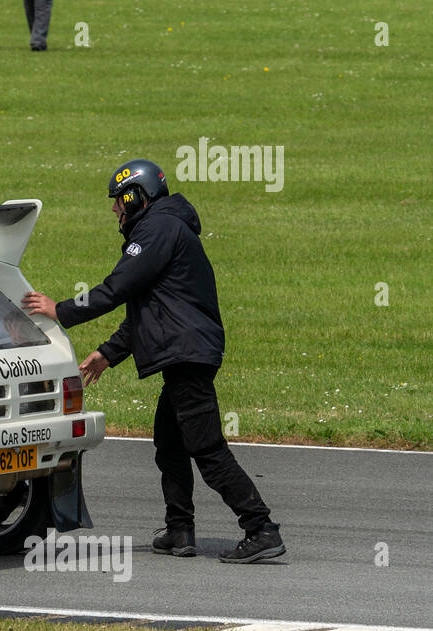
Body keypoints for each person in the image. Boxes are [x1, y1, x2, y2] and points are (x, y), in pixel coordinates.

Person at [21, 159, 287, 564]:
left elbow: (118, 287)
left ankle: (260, 527)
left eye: (117, 200)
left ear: (135, 195)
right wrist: (108, 354)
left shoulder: (157, 228)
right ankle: (180, 530)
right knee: (170, 443)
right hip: (187, 354)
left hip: (187, 356)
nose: (114, 209)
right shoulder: (165, 226)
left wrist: (61, 310)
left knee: (208, 449)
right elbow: (149, 309)